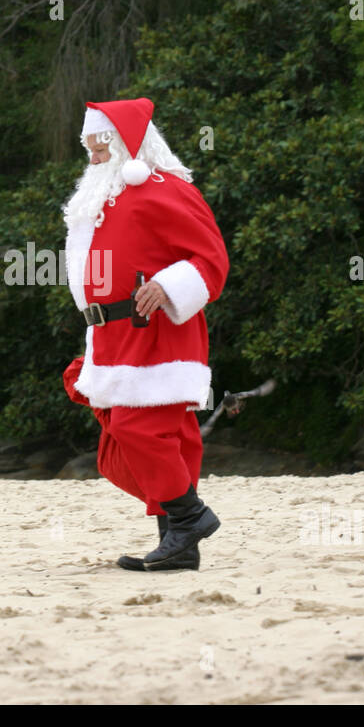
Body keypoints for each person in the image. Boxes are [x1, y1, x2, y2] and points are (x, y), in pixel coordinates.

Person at [60, 97, 229, 571]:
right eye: (89, 151)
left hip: (157, 331)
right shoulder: (103, 199)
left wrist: (167, 285)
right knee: (157, 438)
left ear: (123, 145)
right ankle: (179, 543)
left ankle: (190, 517)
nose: (92, 159)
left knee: (139, 428)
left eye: (99, 150)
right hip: (112, 333)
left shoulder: (163, 189)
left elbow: (211, 259)